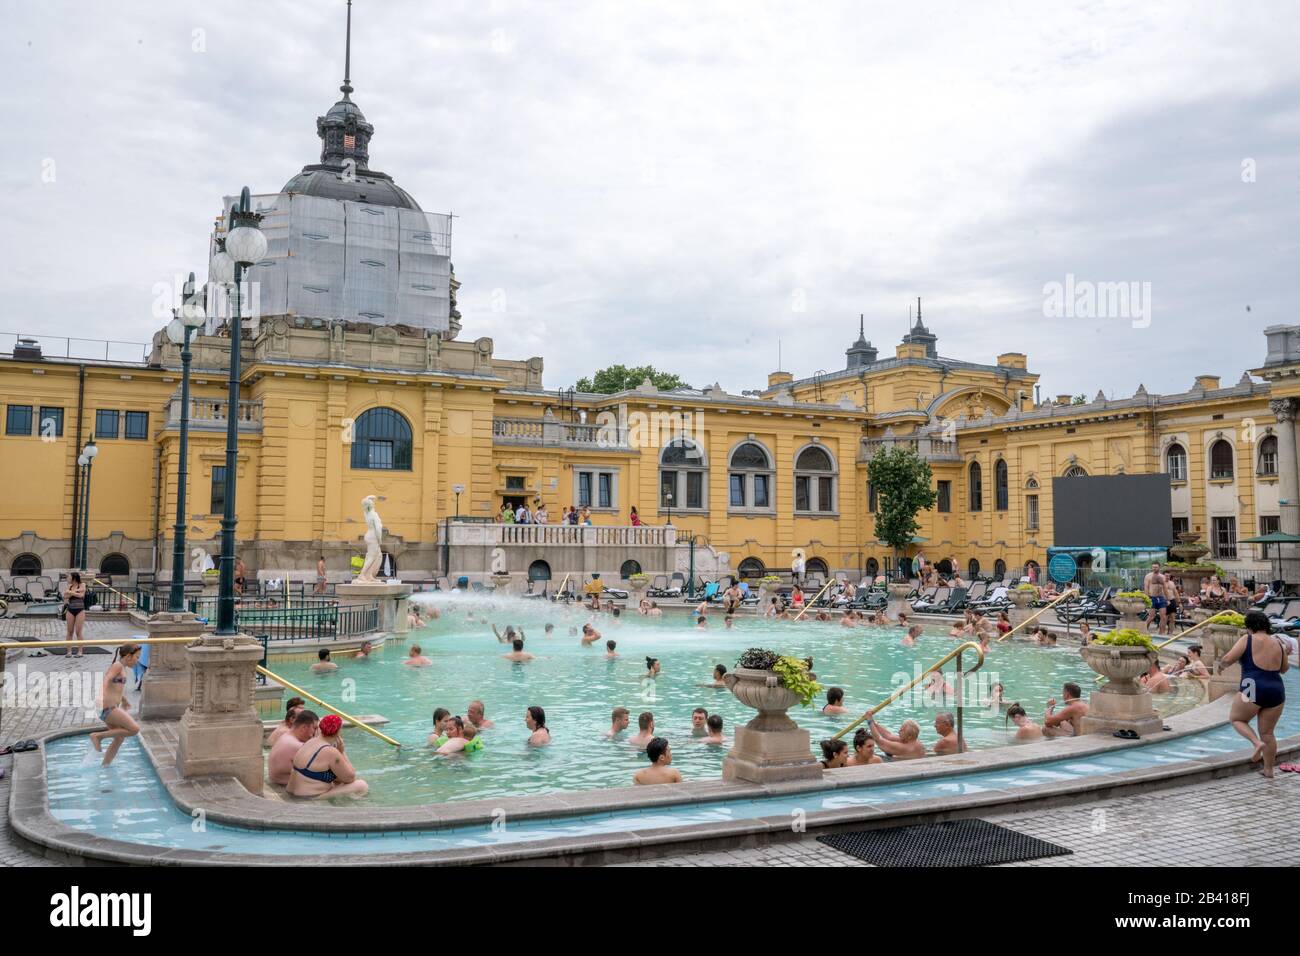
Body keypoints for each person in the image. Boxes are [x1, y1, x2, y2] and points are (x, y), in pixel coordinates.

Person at [1218, 609, 1288, 777]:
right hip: (1276, 689)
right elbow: (1284, 669)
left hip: (1252, 685)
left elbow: (1228, 659)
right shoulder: (1278, 643)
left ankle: (1256, 743)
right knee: (1268, 733)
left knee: (1237, 719)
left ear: (1249, 627)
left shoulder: (1247, 639)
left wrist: (1221, 666)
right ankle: (1268, 770)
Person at [287, 714, 368, 798]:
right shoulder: (330, 751)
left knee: (337, 779)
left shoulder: (310, 741)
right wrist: (342, 752)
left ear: (321, 727)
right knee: (361, 785)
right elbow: (351, 777)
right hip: (310, 797)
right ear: (338, 731)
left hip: (292, 792)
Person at [88, 643, 142, 766]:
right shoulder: (117, 666)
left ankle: (105, 765)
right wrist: (100, 696)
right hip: (107, 708)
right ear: (129, 656)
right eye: (137, 657)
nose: (137, 661)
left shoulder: (122, 668)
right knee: (134, 729)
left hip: (109, 708)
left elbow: (114, 686)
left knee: (119, 737)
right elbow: (106, 679)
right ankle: (98, 736)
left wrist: (124, 700)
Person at [268, 709, 319, 786]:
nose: (315, 732)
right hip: (287, 788)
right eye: (314, 728)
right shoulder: (296, 746)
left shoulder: (285, 737)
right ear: (304, 727)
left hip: (278, 782)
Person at [63, 571, 88, 657]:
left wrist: (71, 592)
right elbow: (65, 596)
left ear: (73, 578)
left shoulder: (82, 585)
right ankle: (69, 652)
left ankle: (80, 652)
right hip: (70, 609)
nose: (67, 579)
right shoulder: (69, 586)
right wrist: (75, 592)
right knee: (69, 631)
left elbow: (81, 595)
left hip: (80, 610)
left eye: (69, 577)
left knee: (78, 632)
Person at [1143, 562, 1169, 635]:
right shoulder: (1148, 576)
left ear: (1159, 567)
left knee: (1163, 617)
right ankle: (1144, 630)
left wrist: (1168, 599)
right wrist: (1146, 598)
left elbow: (1165, 588)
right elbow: (1146, 588)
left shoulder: (1162, 577)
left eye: (1156, 567)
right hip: (1152, 597)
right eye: (1153, 567)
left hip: (1161, 598)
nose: (1154, 568)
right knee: (1151, 616)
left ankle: (1162, 633)